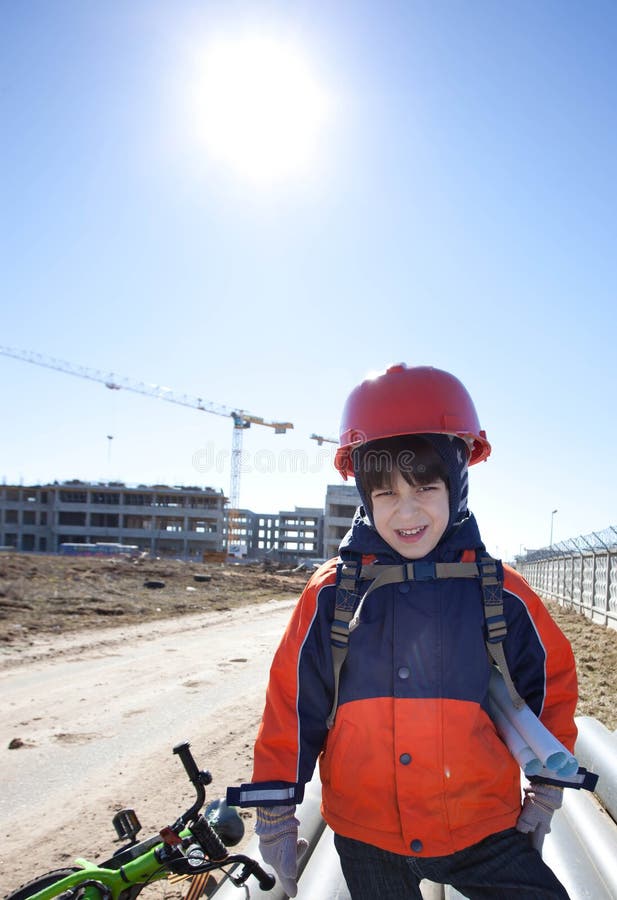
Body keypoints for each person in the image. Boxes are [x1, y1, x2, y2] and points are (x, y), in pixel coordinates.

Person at [228, 364, 577, 899]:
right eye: (386, 493)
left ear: (457, 486)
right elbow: (293, 704)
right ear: (364, 495)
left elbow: (551, 684)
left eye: (425, 487)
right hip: (369, 837)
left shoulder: (501, 591)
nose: (406, 511)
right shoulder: (332, 594)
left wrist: (548, 788)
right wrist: (276, 808)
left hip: (482, 827)